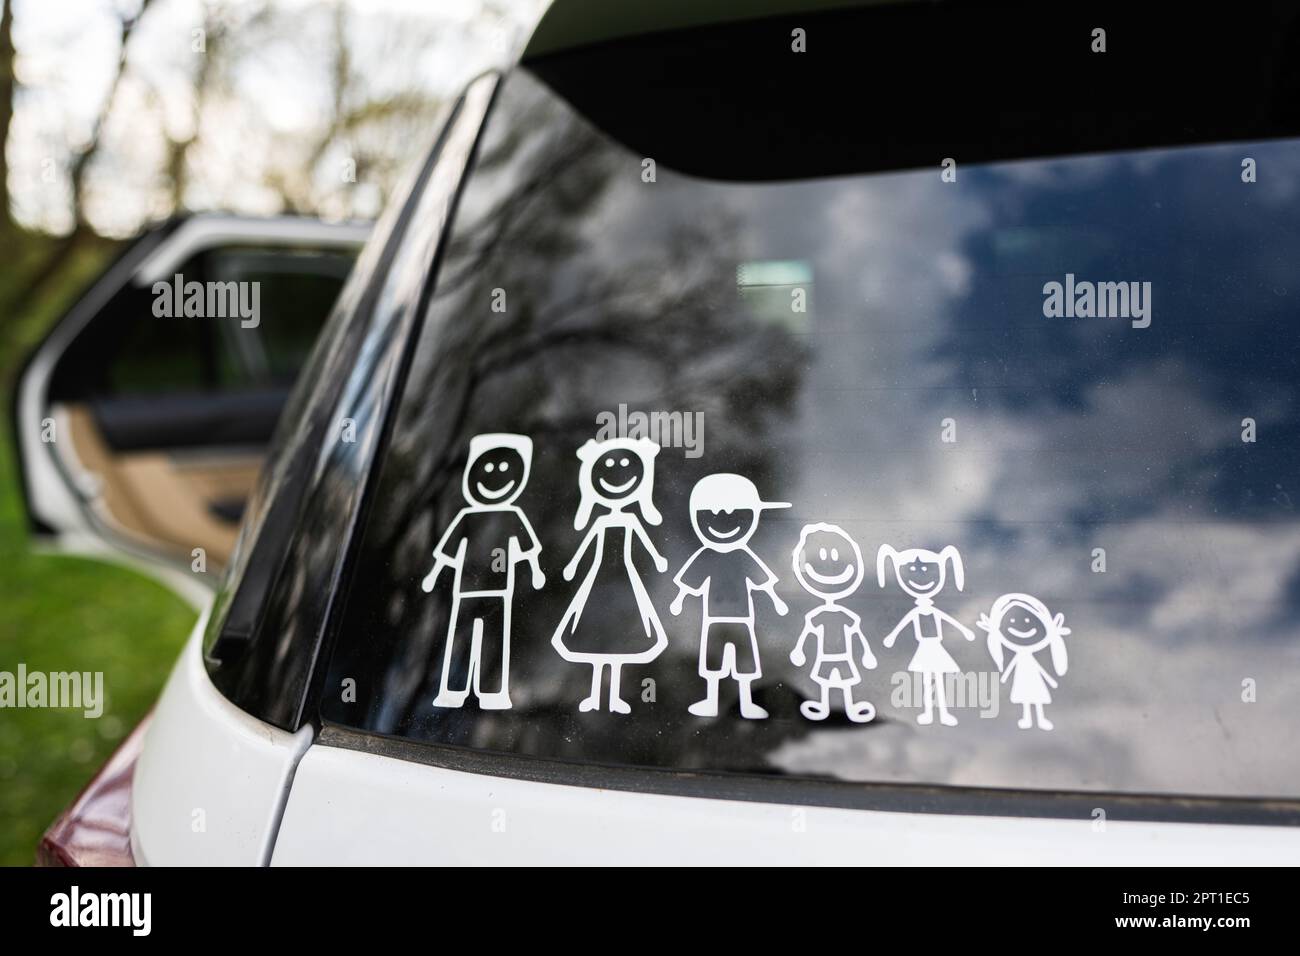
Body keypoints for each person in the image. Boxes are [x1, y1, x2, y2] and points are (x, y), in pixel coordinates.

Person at [421, 433, 544, 710]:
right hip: (465, 590)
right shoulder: (467, 516)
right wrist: (431, 575)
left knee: (494, 641)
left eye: (504, 470)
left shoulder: (513, 515)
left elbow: (529, 550)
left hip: (500, 591)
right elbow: (445, 551)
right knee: (459, 638)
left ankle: (492, 694)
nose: (495, 476)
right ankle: (452, 690)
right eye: (487, 469)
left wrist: (535, 572)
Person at [552, 437, 668, 713]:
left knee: (619, 641)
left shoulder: (630, 520)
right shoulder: (601, 520)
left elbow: (644, 542)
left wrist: (657, 559)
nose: (617, 473)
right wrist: (572, 566)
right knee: (594, 638)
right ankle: (594, 696)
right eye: (607, 465)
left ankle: (613, 697)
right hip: (599, 578)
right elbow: (587, 545)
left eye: (627, 464)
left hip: (625, 581)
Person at [671, 473, 789, 719]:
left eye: (734, 513)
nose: (723, 519)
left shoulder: (742, 556)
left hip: (742, 620)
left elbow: (765, 583)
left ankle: (746, 704)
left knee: (746, 667)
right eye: (713, 512)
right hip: (714, 620)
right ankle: (711, 701)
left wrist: (777, 602)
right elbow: (688, 582)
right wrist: (679, 599)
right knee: (712, 666)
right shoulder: (708, 556)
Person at [878, 544, 975, 726]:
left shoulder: (932, 610)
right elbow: (904, 624)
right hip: (925, 648)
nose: (921, 576)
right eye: (913, 570)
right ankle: (929, 712)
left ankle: (943, 712)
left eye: (927, 570)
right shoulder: (916, 611)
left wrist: (965, 630)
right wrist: (892, 636)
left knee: (938, 680)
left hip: (935, 647)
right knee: (927, 682)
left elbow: (949, 620)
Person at [789, 523, 877, 722]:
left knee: (845, 683)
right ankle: (821, 707)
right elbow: (807, 633)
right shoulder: (817, 615)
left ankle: (848, 708)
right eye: (819, 559)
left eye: (837, 558)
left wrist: (867, 654)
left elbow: (857, 634)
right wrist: (799, 651)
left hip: (843, 657)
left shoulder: (846, 615)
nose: (829, 566)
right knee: (825, 683)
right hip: (825, 658)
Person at [978, 592, 1070, 731]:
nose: (1021, 627)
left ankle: (1040, 718)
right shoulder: (1018, 655)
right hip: (1022, 677)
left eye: (1028, 621)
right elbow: (1012, 666)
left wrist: (1048, 679)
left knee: (1037, 697)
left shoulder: (1030, 654)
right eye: (1012, 621)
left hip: (1034, 678)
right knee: (1026, 698)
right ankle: (1027, 718)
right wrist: (1005, 674)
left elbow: (1038, 668)